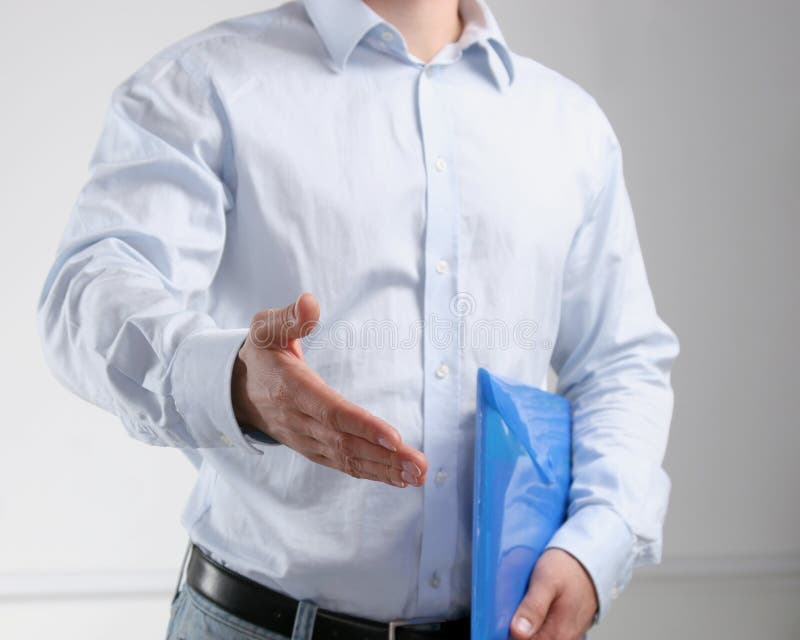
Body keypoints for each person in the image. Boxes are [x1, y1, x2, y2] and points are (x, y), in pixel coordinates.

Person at [36, 0, 679, 638]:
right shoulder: (203, 84)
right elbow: (88, 293)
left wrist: (596, 547)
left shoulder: (570, 125)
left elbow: (619, 361)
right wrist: (234, 382)